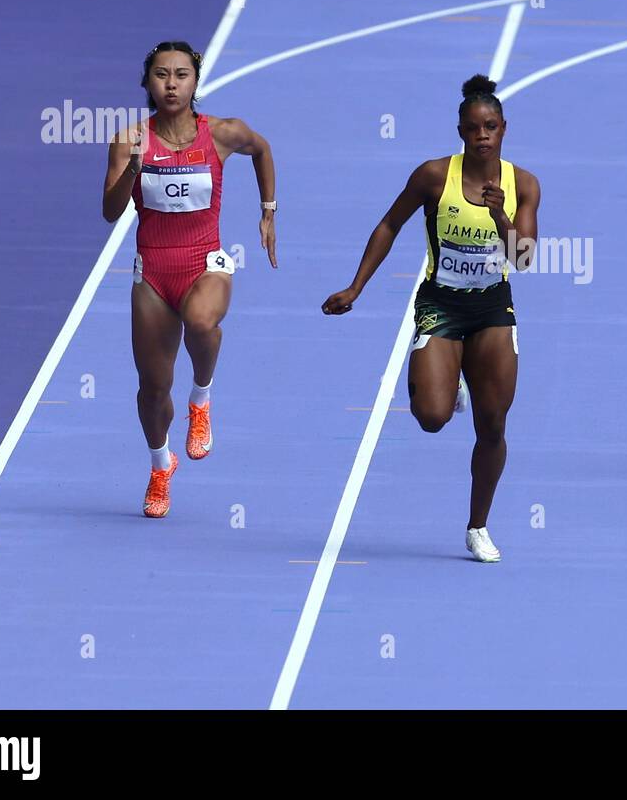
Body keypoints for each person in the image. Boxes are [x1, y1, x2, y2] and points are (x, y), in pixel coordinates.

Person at [323, 74, 540, 562]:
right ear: (460, 132)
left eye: (490, 127)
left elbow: (524, 260)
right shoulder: (433, 176)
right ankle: (451, 379)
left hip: (492, 307)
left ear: (503, 129)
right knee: (431, 418)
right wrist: (356, 287)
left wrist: (502, 217)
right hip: (440, 304)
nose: (481, 136)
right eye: (472, 129)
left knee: (494, 423)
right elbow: (389, 224)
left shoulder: (523, 184)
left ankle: (478, 526)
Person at [102, 41, 278, 516]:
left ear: (196, 81)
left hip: (205, 263)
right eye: (162, 75)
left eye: (181, 75)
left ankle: (201, 399)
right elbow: (109, 212)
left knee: (202, 322)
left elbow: (262, 151)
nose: (172, 84)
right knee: (153, 388)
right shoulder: (128, 139)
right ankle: (161, 465)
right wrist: (132, 171)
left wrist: (268, 212)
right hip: (153, 272)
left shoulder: (222, 133)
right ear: (147, 84)